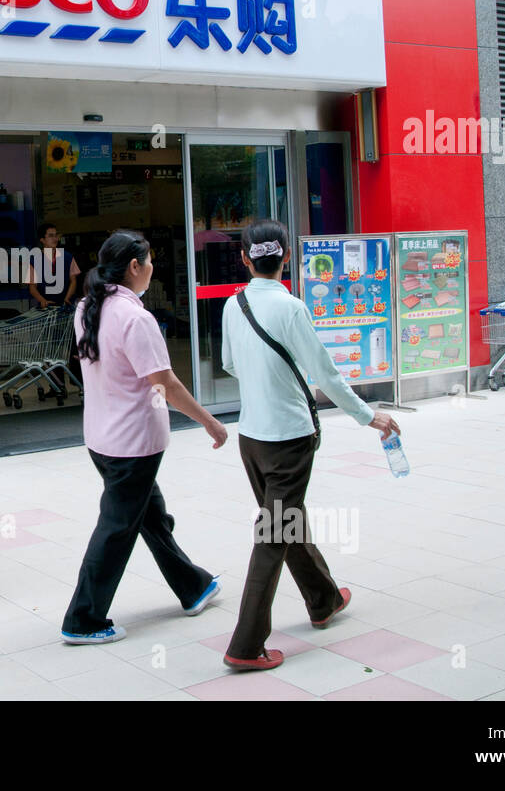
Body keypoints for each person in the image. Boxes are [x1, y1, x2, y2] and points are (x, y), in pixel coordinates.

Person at [219, 219, 398, 671]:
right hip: (289, 439)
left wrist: (263, 382)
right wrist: (367, 414)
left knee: (282, 520)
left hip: (251, 437)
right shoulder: (293, 308)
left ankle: (323, 599)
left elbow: (228, 363)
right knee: (273, 534)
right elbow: (325, 374)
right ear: (286, 258)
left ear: (244, 258)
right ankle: (245, 644)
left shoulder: (231, 305)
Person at [60, 230, 228, 645]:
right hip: (132, 443)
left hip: (102, 438)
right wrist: (209, 420)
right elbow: (164, 383)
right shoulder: (135, 317)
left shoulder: (87, 307)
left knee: (150, 517)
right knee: (117, 528)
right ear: (134, 267)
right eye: (149, 260)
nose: (153, 267)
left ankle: (194, 587)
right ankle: (83, 619)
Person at [27, 222, 81, 309]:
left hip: (67, 306)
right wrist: (42, 300)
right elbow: (32, 287)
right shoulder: (34, 260)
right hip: (47, 308)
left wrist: (67, 298)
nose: (55, 238)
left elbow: (73, 281)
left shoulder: (67, 257)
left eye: (56, 235)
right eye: (51, 236)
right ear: (42, 240)